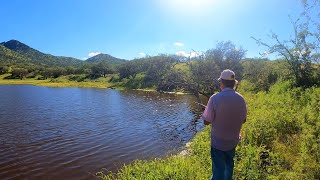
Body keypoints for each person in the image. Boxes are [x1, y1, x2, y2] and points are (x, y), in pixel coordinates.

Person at [202, 69, 247, 180]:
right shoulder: (241, 99)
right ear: (233, 83)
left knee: (218, 170)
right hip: (233, 141)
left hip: (218, 143)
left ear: (222, 82)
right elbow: (243, 120)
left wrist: (206, 112)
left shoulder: (214, 98)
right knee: (229, 165)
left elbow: (206, 122)